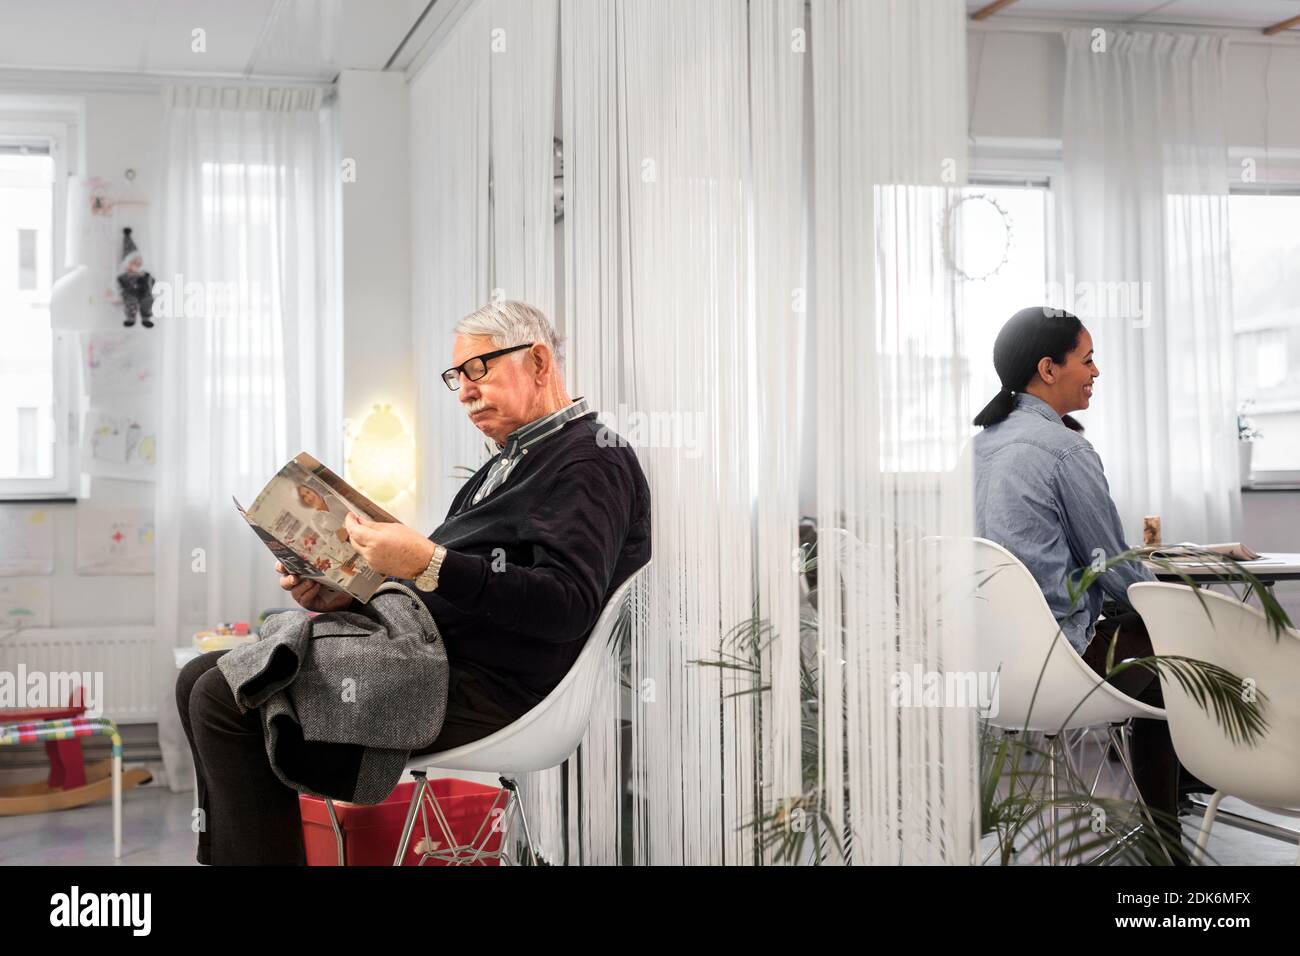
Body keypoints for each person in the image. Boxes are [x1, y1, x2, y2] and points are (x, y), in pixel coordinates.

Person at [176, 300, 651, 865]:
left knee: (221, 695)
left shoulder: (589, 462)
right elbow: (449, 580)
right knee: (198, 677)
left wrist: (428, 561)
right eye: (457, 378)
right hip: (431, 653)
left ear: (540, 362)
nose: (465, 392)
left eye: (479, 369)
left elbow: (564, 605)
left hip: (489, 684)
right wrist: (347, 588)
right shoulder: (513, 461)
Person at [971, 305, 1190, 865]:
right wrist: (1173, 600)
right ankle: (1168, 840)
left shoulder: (974, 449)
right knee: (1176, 640)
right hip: (1056, 669)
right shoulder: (1065, 450)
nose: (1096, 372)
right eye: (1087, 359)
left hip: (989, 670)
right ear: (1048, 368)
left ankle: (1174, 808)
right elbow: (1114, 572)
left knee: (1148, 633)